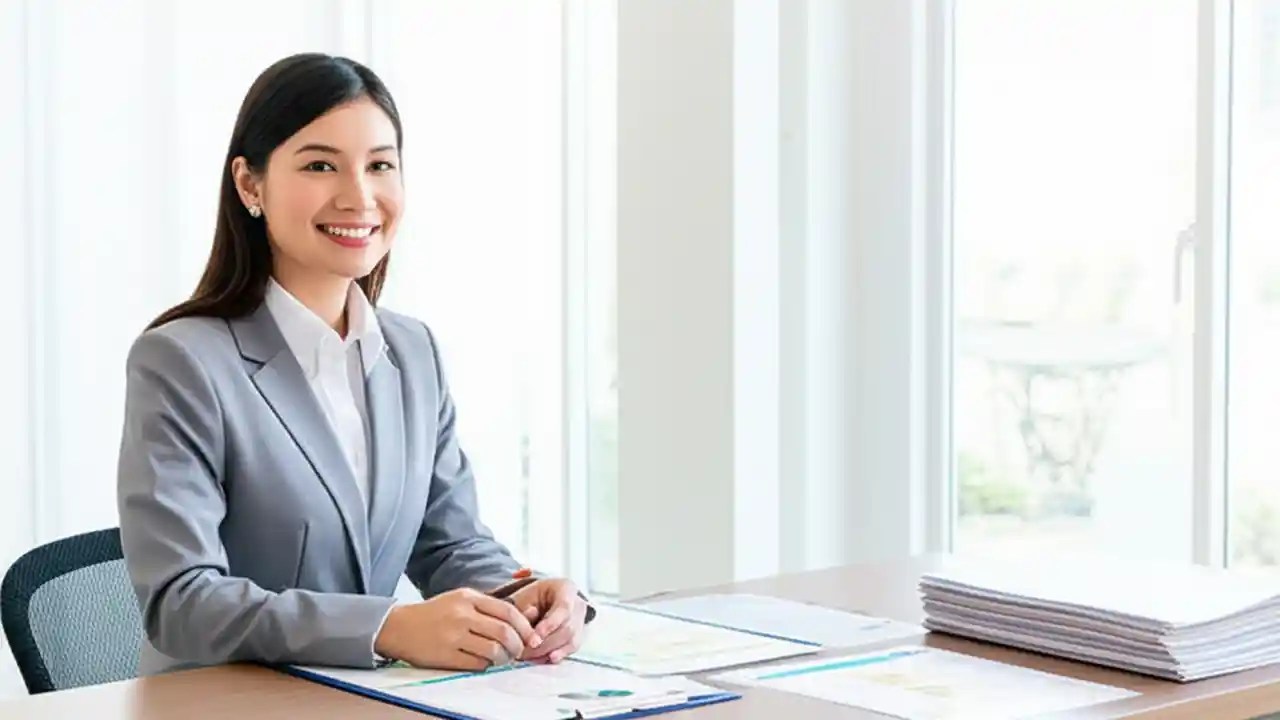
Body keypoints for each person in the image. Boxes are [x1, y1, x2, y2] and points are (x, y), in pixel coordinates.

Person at [116, 53, 589, 675]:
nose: (359, 196)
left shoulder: (412, 353)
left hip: (363, 699)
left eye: (380, 165)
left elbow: (449, 543)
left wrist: (520, 595)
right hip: (223, 703)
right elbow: (183, 602)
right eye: (320, 165)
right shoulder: (181, 361)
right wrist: (387, 627)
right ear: (249, 184)